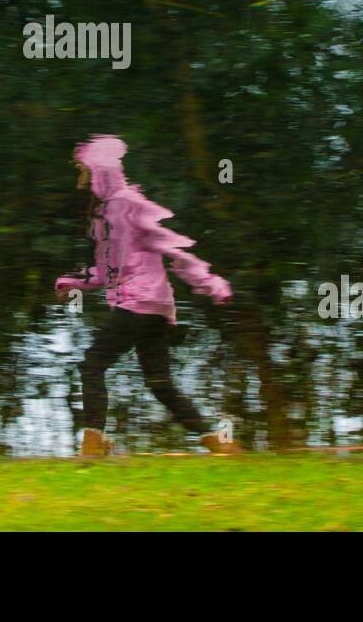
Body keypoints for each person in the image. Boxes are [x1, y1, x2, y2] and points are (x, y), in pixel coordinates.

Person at [56, 134, 240, 456]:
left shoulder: (125, 205)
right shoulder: (106, 215)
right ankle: (218, 443)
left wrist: (210, 281)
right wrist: (73, 281)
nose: (80, 180)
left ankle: (92, 442)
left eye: (83, 170)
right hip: (154, 308)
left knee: (92, 365)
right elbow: (109, 271)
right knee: (160, 384)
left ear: (99, 171)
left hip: (137, 305)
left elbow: (170, 247)